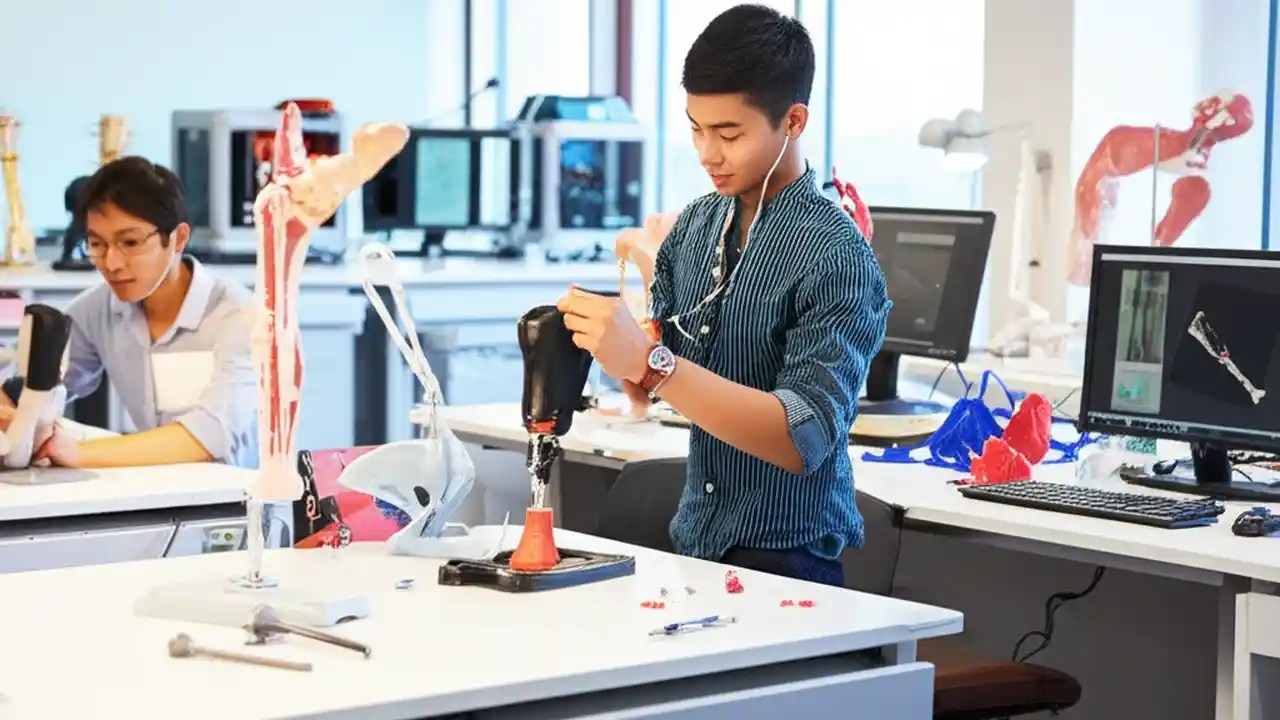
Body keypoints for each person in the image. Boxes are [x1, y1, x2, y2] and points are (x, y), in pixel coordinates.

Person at [557, 4, 890, 586]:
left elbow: (800, 436)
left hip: (789, 561)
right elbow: (657, 382)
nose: (708, 152)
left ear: (792, 121)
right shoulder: (696, 226)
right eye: (696, 128)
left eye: (729, 133)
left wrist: (651, 363)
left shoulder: (835, 255)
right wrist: (620, 352)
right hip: (695, 544)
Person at [23, 156, 257, 469]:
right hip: (156, 497)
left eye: (130, 242)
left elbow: (210, 433)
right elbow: (29, 383)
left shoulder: (239, 314)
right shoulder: (99, 308)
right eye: (96, 244)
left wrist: (77, 452)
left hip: (241, 503)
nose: (112, 263)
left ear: (178, 239)